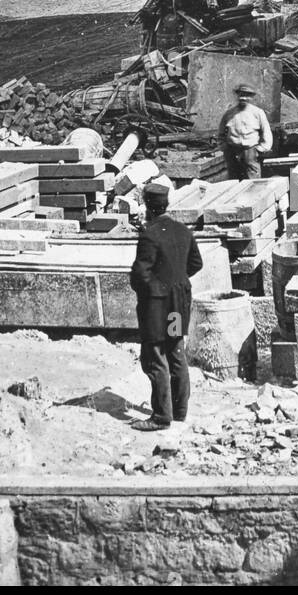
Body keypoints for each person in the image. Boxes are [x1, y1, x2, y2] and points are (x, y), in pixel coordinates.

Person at [129, 182, 203, 432]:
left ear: (148, 207)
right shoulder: (183, 230)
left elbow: (140, 274)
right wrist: (175, 280)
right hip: (177, 304)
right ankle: (180, 411)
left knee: (155, 356)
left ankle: (161, 417)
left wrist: (153, 288)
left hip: (156, 308)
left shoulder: (149, 234)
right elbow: (196, 263)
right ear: (167, 204)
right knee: (175, 351)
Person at [217, 83, 273, 179]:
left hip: (250, 150)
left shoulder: (257, 112)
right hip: (232, 151)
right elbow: (221, 134)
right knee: (234, 179)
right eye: (241, 95)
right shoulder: (229, 114)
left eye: (247, 96)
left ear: (251, 97)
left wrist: (261, 149)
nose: (243, 98)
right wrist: (224, 147)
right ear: (237, 96)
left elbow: (266, 132)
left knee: (252, 179)